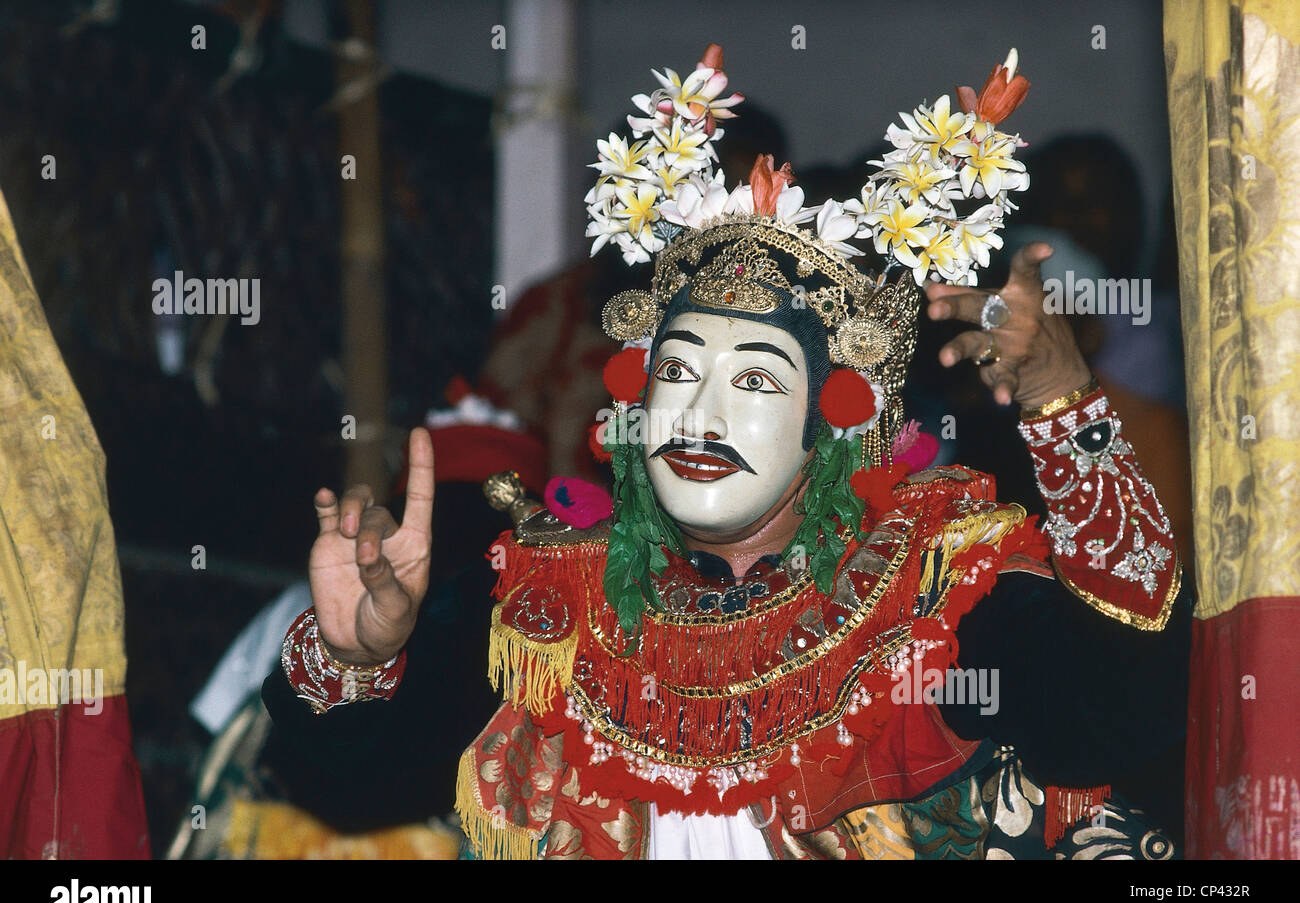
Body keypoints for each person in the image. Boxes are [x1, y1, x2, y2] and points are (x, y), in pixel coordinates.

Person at [265, 45, 1189, 859]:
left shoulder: (935, 594)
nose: (698, 416)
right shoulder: (547, 606)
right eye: (678, 371)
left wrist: (1062, 404)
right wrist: (355, 657)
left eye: (753, 381)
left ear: (834, 421)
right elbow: (342, 781)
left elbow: (1126, 702)